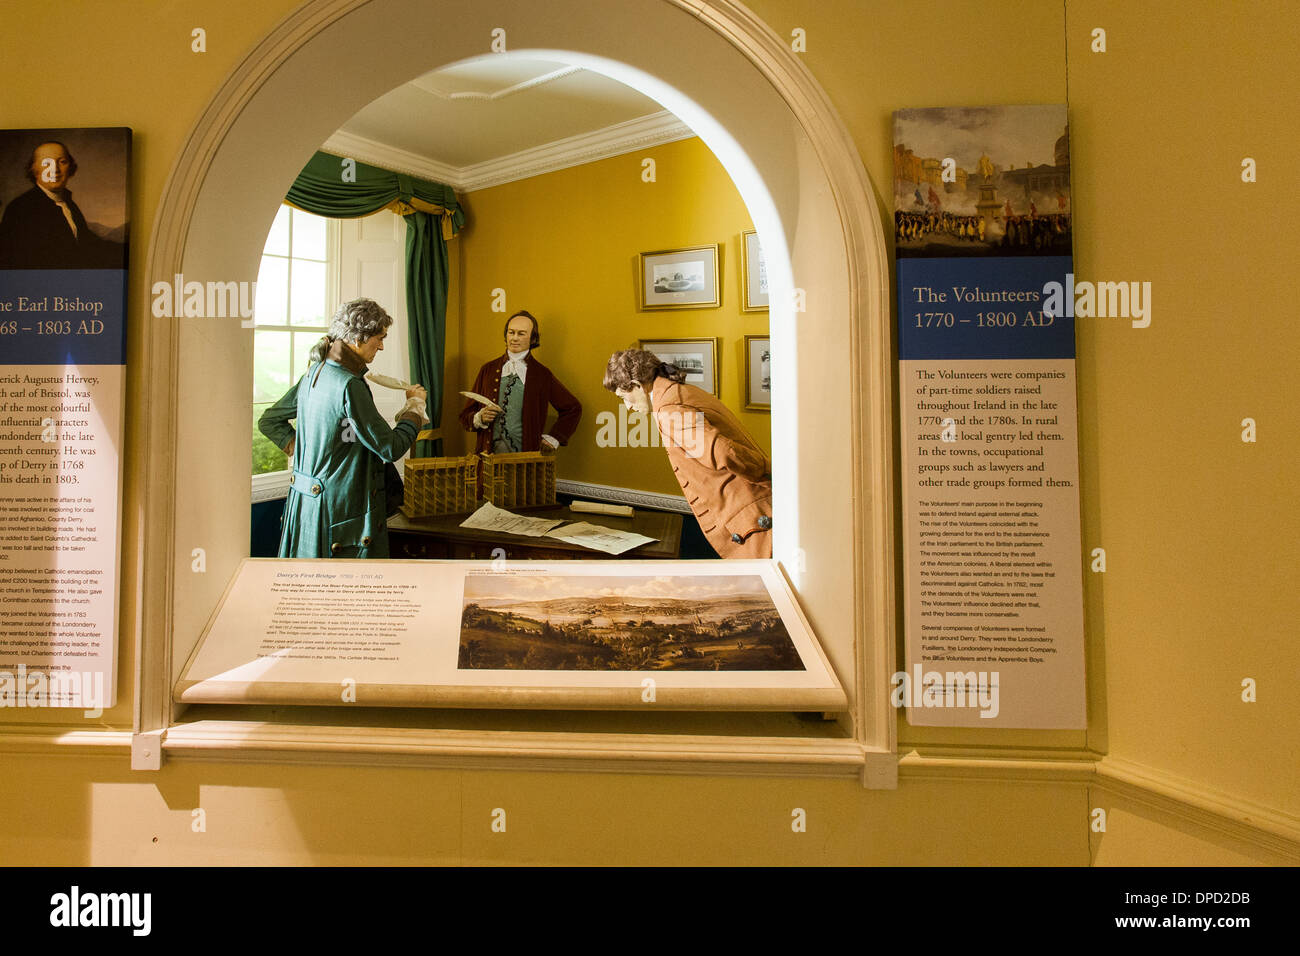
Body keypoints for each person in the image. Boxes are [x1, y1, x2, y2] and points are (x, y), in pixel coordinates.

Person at [258, 298, 428, 559]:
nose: (381, 346)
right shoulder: (349, 384)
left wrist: (304, 450)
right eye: (379, 338)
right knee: (349, 592)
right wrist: (414, 408)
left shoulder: (316, 371)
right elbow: (390, 448)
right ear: (359, 338)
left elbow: (269, 421)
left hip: (306, 506)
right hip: (344, 508)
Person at [602, 348, 772, 559]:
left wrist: (767, 471)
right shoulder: (679, 392)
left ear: (637, 385)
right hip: (754, 513)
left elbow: (723, 451)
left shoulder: (669, 409)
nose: (626, 406)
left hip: (750, 519)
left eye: (623, 397)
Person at [460, 310, 581, 455]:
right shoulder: (488, 370)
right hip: (488, 460)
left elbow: (573, 408)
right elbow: (465, 416)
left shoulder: (541, 374)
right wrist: (480, 417)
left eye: (521, 333)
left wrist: (554, 438)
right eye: (511, 332)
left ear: (532, 338)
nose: (514, 338)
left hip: (524, 463)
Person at [0, 141, 123, 269]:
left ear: (70, 168)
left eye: (62, 162)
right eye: (46, 163)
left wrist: (126, 250)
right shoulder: (21, 208)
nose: (55, 169)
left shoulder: (69, 205)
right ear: (34, 169)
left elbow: (88, 244)